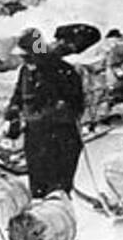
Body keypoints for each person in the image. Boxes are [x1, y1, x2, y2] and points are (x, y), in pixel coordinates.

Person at [5, 28, 85, 198]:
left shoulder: (63, 72)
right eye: (23, 57)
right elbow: (18, 95)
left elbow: (73, 106)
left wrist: (39, 117)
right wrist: (12, 113)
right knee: (38, 188)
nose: (25, 61)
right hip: (35, 137)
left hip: (60, 139)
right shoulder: (26, 71)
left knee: (57, 190)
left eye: (27, 56)